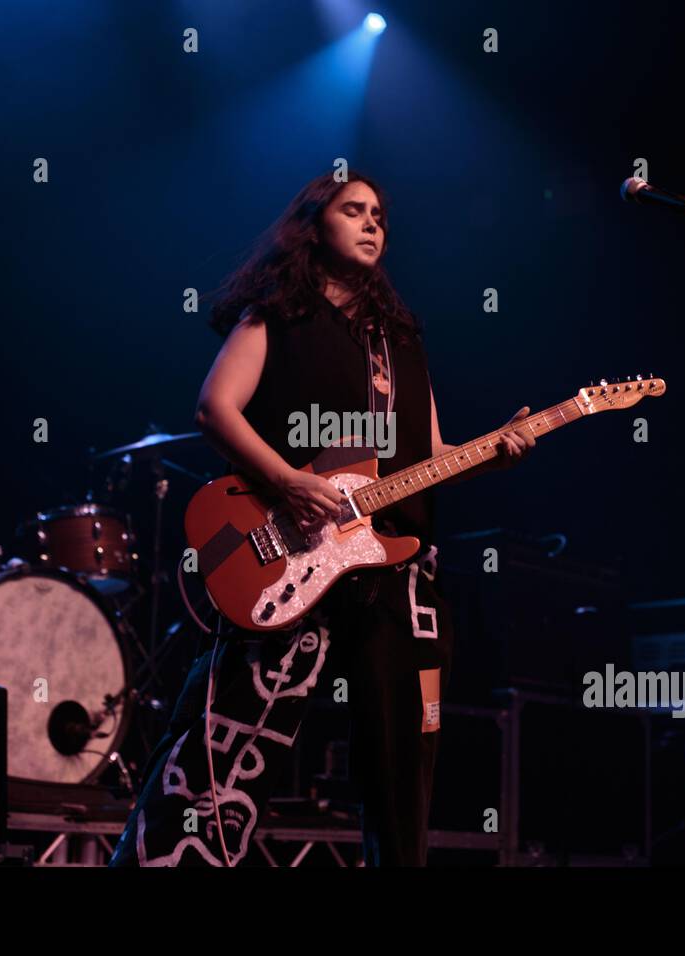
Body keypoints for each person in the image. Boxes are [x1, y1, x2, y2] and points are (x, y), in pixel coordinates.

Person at [110, 172, 535, 867]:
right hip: (286, 550)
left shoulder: (399, 339)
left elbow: (429, 452)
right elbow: (214, 408)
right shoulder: (275, 314)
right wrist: (286, 481)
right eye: (353, 211)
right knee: (226, 737)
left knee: (404, 758)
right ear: (315, 223)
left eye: (380, 216)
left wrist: (496, 455)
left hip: (395, 565)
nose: (373, 224)